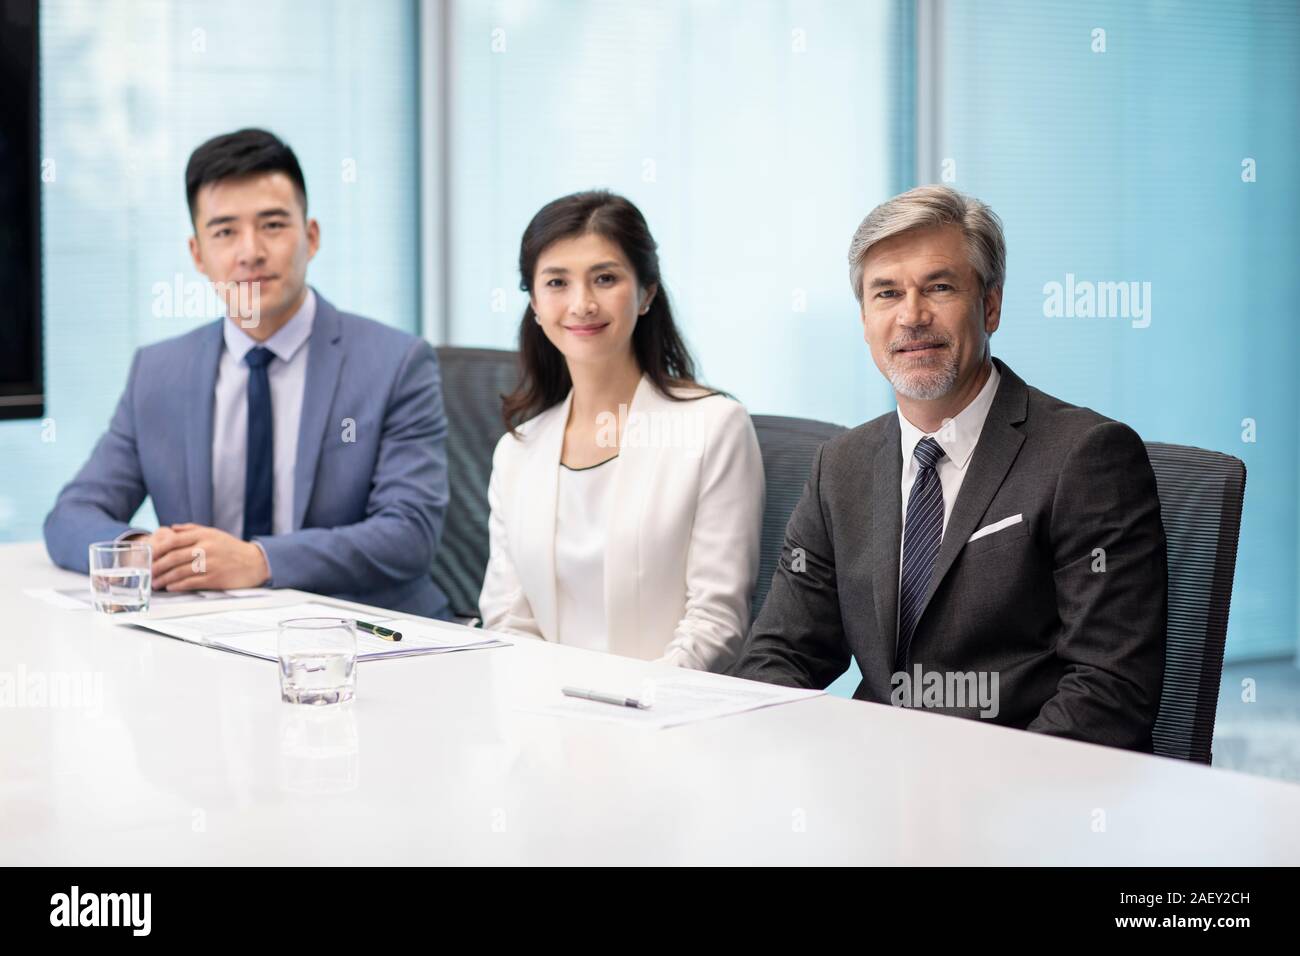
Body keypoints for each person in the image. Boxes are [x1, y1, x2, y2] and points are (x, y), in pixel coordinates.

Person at [733, 184, 1166, 751]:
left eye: (938, 287)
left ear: (991, 305)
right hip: (877, 783)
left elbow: (1109, 691)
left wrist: (973, 802)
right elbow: (782, 654)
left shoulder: (1086, 456)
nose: (912, 316)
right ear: (864, 319)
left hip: (1025, 796)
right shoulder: (841, 465)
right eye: (886, 293)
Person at [44, 128, 451, 618]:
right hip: (208, 643)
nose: (250, 251)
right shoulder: (159, 372)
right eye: (224, 232)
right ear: (198, 254)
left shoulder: (396, 364)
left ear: (312, 236)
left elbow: (409, 534)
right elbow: (69, 518)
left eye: (273, 225)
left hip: (361, 637)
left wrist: (258, 561)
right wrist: (143, 551)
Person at [478, 191, 764, 669]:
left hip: (668, 716)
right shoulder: (517, 451)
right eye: (556, 282)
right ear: (533, 302)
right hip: (545, 717)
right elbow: (508, 619)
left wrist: (634, 710)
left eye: (605, 279)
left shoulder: (714, 428)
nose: (581, 304)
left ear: (646, 293)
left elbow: (717, 621)